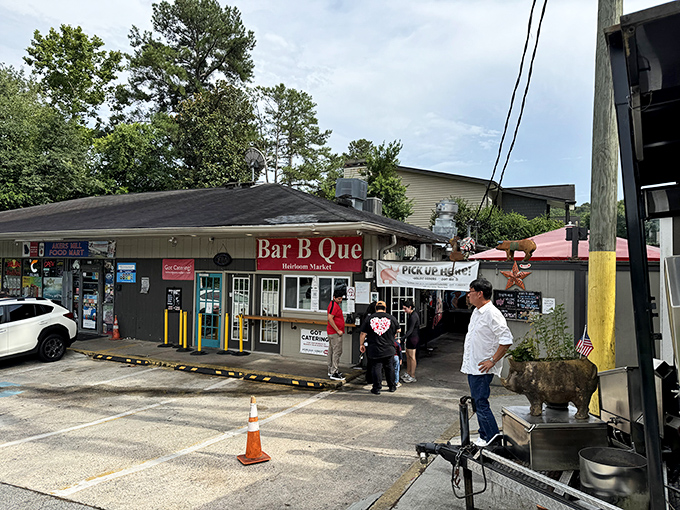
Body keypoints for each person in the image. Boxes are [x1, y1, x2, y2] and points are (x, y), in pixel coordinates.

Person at [461, 278, 513, 447]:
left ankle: (493, 440)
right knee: (477, 403)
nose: (468, 295)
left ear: (479, 293)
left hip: (482, 368)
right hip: (473, 366)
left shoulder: (492, 313)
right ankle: (484, 435)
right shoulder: (477, 311)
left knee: (481, 403)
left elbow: (506, 339)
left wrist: (493, 360)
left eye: (470, 292)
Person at [360, 300, 399, 395]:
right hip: (389, 348)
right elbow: (398, 330)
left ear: (375, 308)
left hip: (375, 348)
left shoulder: (369, 318)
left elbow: (363, 333)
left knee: (376, 367)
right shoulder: (391, 318)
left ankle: (377, 388)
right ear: (385, 308)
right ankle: (392, 386)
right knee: (389, 367)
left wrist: (361, 344)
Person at [327, 288, 346, 381]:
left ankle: (331, 369)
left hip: (331, 332)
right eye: (338, 298)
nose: (340, 300)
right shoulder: (334, 306)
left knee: (332, 351)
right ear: (334, 297)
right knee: (337, 352)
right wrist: (338, 330)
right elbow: (330, 318)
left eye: (341, 298)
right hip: (334, 333)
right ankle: (334, 372)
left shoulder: (333, 304)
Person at [401, 299, 420, 383]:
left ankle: (412, 375)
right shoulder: (410, 315)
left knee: (412, 357)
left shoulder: (413, 316)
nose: (404, 310)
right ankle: (408, 372)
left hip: (413, 338)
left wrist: (402, 338)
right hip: (410, 337)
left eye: (405, 308)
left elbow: (410, 330)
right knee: (408, 356)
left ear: (410, 307)